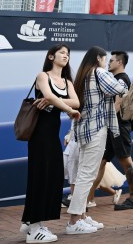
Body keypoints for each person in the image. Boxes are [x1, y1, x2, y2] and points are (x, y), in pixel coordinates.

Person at [21, 46, 81, 242]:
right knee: (39, 176)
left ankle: (32, 221)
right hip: (39, 135)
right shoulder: (42, 76)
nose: (66, 56)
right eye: (62, 52)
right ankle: (34, 227)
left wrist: (54, 101)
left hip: (52, 134)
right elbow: (49, 96)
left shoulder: (67, 82)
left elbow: (77, 102)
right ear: (51, 56)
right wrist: (67, 109)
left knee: (52, 176)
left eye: (68, 54)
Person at [67, 47, 128, 235]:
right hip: (96, 128)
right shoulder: (99, 72)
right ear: (99, 58)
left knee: (84, 173)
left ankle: (82, 217)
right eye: (105, 59)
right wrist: (123, 87)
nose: (106, 62)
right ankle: (74, 220)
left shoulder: (83, 75)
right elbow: (119, 88)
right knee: (87, 174)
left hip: (84, 129)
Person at [89, 51, 133, 211]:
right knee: (101, 162)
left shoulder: (122, 79)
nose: (108, 63)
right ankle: (87, 199)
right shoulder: (115, 79)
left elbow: (118, 105)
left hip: (119, 127)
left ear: (119, 63)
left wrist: (103, 122)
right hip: (113, 127)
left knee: (126, 161)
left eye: (111, 61)